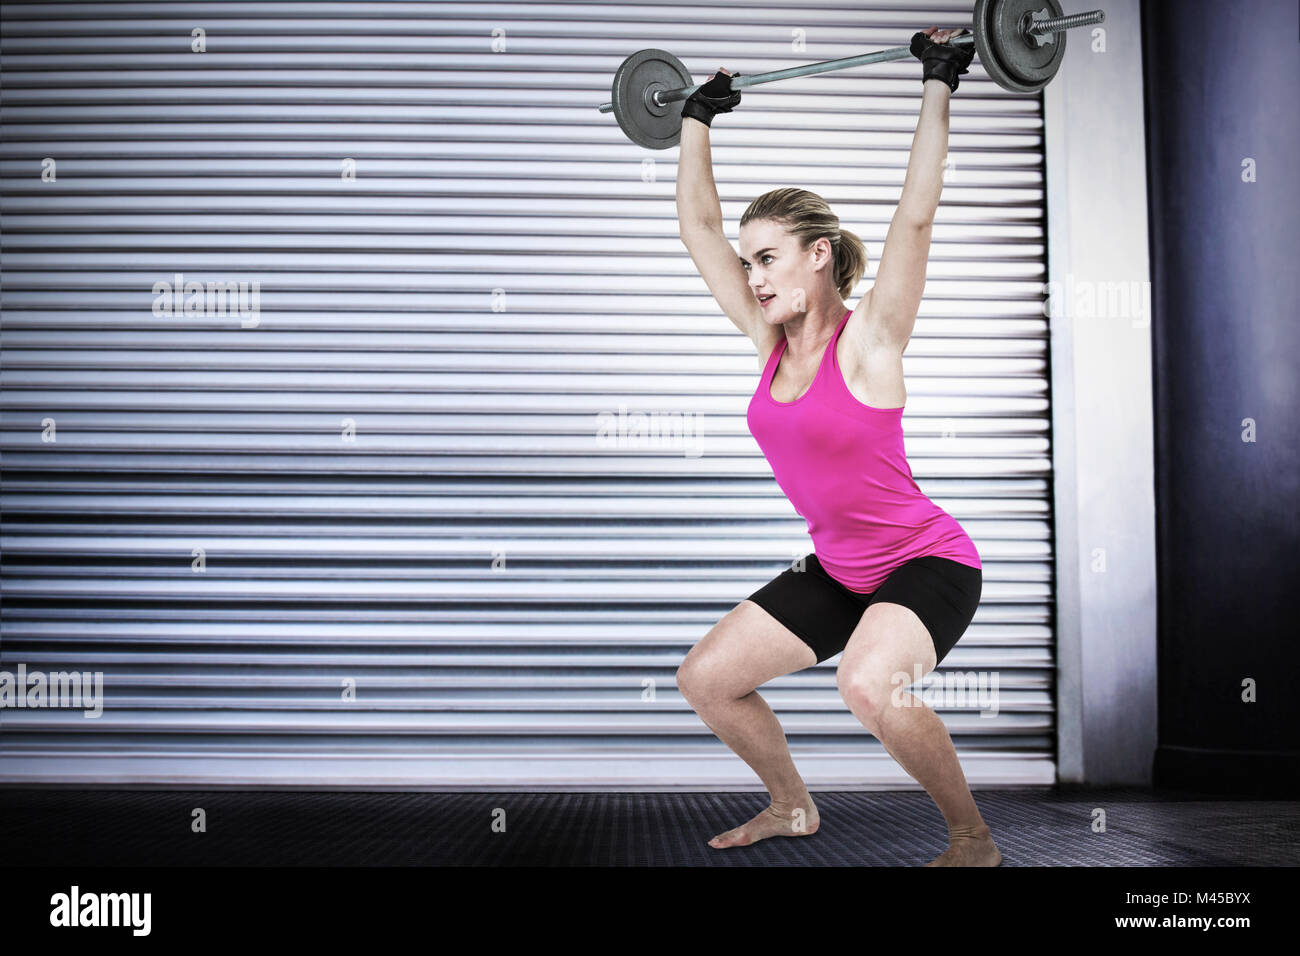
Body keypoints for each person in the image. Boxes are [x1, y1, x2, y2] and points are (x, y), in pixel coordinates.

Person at [673, 27, 1000, 866]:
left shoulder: (872, 343)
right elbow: (698, 227)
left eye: (770, 259)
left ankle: (972, 839)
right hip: (842, 570)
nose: (754, 278)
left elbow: (915, 217)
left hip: (927, 562)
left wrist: (938, 82)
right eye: (751, 264)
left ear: (820, 257)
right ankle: (791, 807)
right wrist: (698, 118)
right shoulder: (767, 340)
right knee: (706, 679)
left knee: (868, 684)